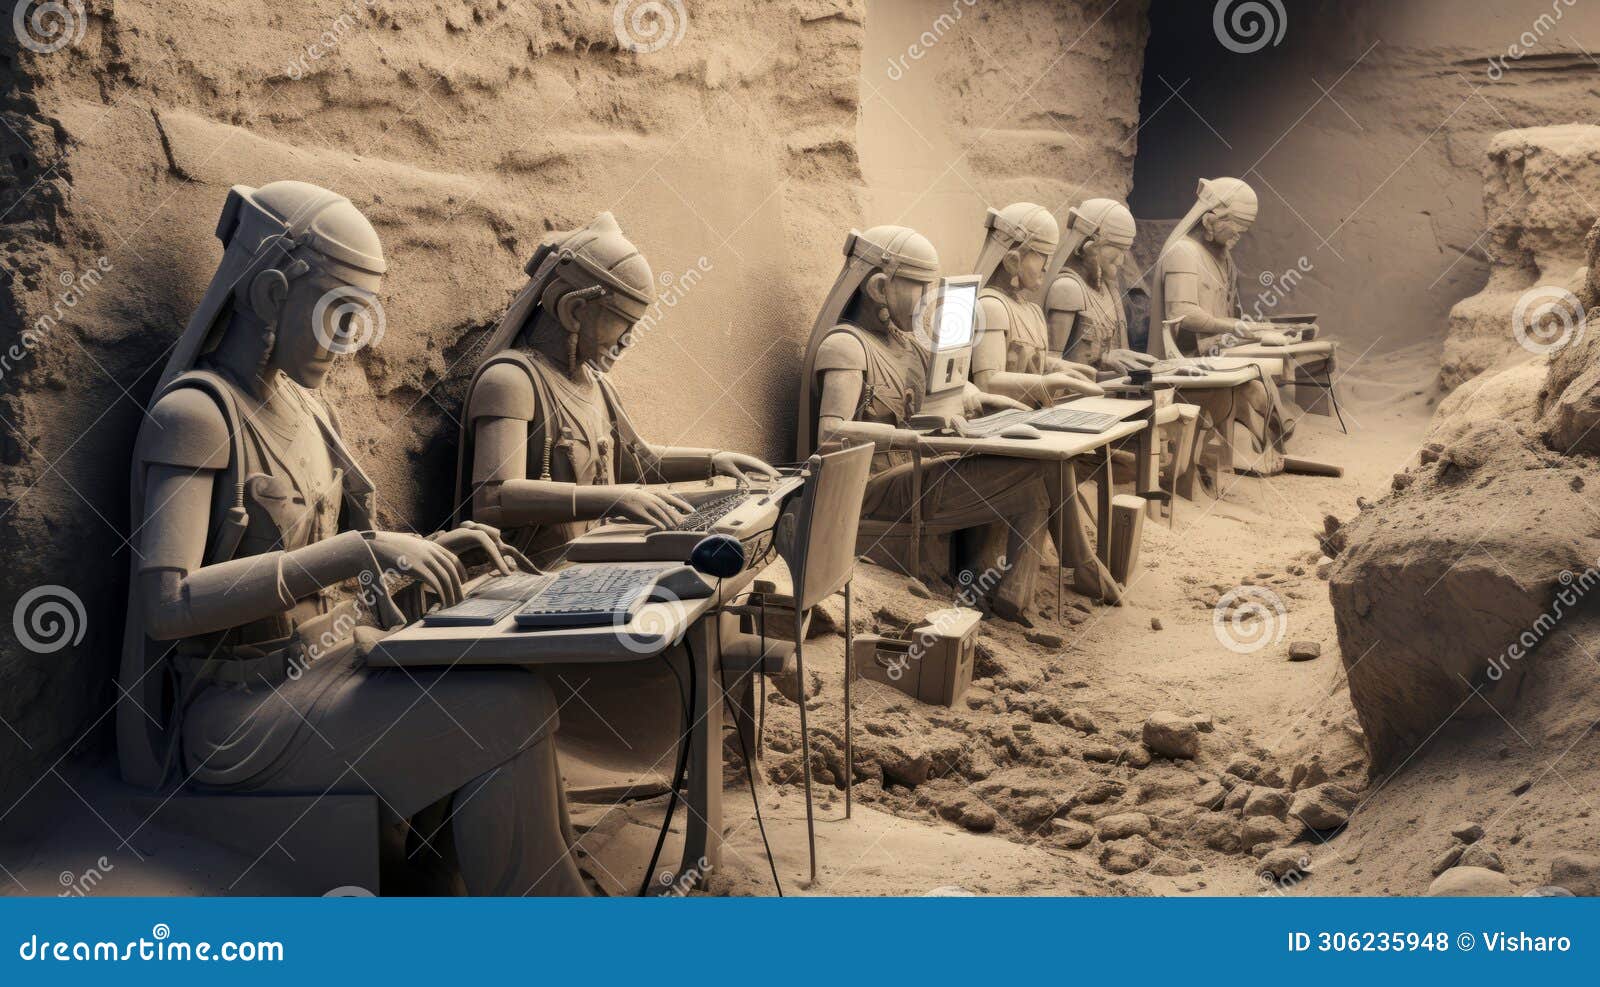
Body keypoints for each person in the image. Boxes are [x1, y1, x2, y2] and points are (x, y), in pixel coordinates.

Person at [118, 181, 588, 896]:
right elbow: (167, 605)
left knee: (516, 681)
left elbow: (337, 576)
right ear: (273, 293)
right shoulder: (198, 416)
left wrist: (425, 555)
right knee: (508, 708)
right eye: (339, 312)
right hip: (239, 712)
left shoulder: (307, 407)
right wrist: (357, 550)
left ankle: (475, 888)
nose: (351, 338)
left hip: (331, 658)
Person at [456, 213, 777, 565]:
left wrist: (713, 461)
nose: (627, 341)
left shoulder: (595, 384)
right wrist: (614, 499)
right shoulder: (510, 381)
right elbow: (494, 500)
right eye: (623, 324)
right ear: (573, 309)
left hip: (593, 562)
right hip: (532, 576)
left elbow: (635, 461)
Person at [797, 225, 1056, 623]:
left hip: (914, 472)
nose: (927, 298)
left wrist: (982, 400)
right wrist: (913, 439)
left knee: (1031, 479)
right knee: (1027, 484)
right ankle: (1004, 596)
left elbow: (948, 391)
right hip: (874, 488)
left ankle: (1002, 592)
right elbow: (831, 434)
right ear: (880, 288)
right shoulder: (846, 347)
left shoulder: (909, 344)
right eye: (918, 286)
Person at [1146, 178, 1299, 476]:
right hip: (1184, 362)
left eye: (1244, 230)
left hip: (1214, 353)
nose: (1239, 236)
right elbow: (1183, 314)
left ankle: (1268, 438)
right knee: (1252, 390)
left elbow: (1228, 309)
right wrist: (1236, 327)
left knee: (1261, 380)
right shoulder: (1183, 253)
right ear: (1210, 220)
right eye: (1236, 228)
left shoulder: (1222, 256)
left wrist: (1247, 327)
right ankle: (1247, 449)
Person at [970, 202, 1104, 408]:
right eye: (1042, 257)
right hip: (1002, 425)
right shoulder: (991, 306)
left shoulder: (1031, 309)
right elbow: (988, 382)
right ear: (1013, 260)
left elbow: (1026, 362)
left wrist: (1057, 367)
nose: (1046, 267)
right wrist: (1043, 383)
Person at [1042, 198, 1151, 375]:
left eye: (1126, 250)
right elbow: (1051, 367)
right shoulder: (1068, 289)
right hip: (1077, 399)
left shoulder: (1111, 290)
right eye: (1117, 248)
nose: (1122, 260)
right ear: (1090, 246)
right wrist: (1104, 359)